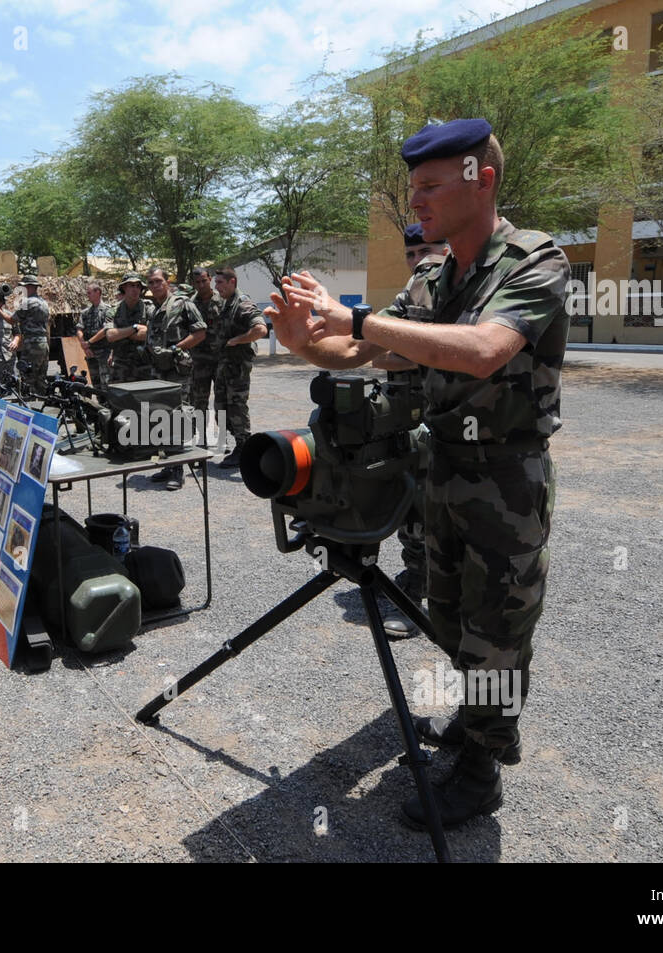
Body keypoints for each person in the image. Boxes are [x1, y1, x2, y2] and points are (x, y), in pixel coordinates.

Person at [266, 119, 569, 829]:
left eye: (431, 186)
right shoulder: (435, 275)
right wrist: (306, 343)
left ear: (481, 179)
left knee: (499, 630)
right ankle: (473, 720)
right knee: (450, 618)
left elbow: (484, 349)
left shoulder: (534, 259)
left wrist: (358, 318)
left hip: (508, 479)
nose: (419, 202)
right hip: (441, 469)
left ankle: (483, 769)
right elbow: (370, 353)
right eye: (414, 188)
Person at [373, 223, 449, 638]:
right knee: (409, 505)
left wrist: (412, 349)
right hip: (404, 418)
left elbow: (436, 349)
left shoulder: (452, 291)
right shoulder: (409, 297)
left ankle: (426, 594)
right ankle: (414, 586)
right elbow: (376, 354)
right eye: (411, 253)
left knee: (433, 510)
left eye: (427, 249)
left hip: (444, 422)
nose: (418, 260)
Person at [143, 267, 205, 491]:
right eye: (151, 282)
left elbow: (200, 333)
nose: (155, 285)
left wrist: (176, 348)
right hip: (158, 369)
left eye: (158, 281)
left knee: (178, 415)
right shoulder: (153, 309)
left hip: (177, 369)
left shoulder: (182, 303)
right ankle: (167, 464)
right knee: (159, 415)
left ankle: (178, 469)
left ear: (167, 281)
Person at [210, 267, 269, 468]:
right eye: (215, 283)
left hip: (237, 368)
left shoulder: (242, 303)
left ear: (232, 281)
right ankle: (239, 445)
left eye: (220, 283)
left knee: (236, 407)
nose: (216, 287)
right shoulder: (227, 303)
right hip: (224, 366)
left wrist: (239, 340)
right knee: (221, 408)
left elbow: (261, 329)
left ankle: (244, 448)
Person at [188, 267, 222, 445]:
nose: (201, 285)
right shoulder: (190, 303)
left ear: (210, 278)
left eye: (204, 280)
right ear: (193, 284)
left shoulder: (223, 299)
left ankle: (222, 439)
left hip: (221, 361)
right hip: (199, 361)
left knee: (222, 403)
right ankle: (202, 440)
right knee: (199, 403)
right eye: (197, 282)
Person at [105, 272, 153, 384]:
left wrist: (121, 333)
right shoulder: (113, 310)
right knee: (121, 399)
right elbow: (110, 336)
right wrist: (135, 327)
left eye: (138, 286)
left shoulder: (148, 307)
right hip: (120, 367)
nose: (135, 289)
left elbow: (150, 334)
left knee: (144, 400)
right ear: (124, 288)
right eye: (131, 285)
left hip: (144, 366)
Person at [12, 275, 51, 396]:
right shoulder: (44, 302)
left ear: (28, 287)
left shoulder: (26, 302)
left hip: (31, 345)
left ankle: (28, 408)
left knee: (27, 377)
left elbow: (11, 320)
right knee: (40, 379)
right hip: (43, 343)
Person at [76, 280, 111, 389]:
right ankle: (100, 404)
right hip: (91, 353)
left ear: (98, 292)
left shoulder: (108, 310)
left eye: (89, 293)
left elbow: (106, 329)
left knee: (106, 383)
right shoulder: (85, 312)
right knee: (96, 384)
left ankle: (108, 405)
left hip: (104, 353)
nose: (87, 295)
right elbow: (79, 329)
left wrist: (89, 342)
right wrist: (84, 346)